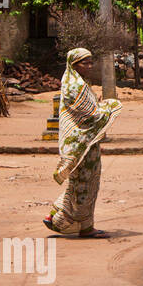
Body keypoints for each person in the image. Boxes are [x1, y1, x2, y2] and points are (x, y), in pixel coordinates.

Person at [43, 48, 122, 238]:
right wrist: (110, 108)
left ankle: (59, 215)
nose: (88, 66)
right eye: (84, 63)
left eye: (90, 62)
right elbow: (91, 114)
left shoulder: (75, 82)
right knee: (85, 183)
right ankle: (77, 223)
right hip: (81, 144)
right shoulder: (75, 86)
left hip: (84, 142)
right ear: (74, 64)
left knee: (81, 182)